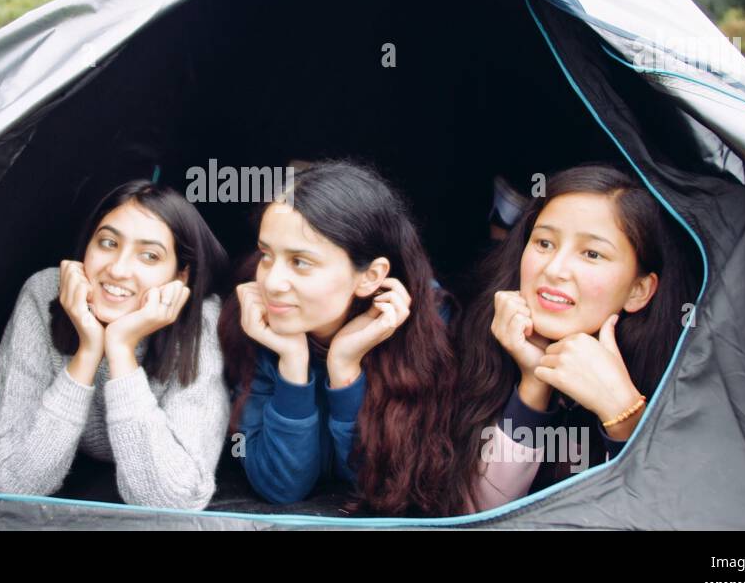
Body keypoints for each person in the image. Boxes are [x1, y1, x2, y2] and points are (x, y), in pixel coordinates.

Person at [220, 159, 539, 516]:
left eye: (300, 262)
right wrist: (292, 366)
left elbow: (385, 487)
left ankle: (503, 224)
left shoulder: (429, 330)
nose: (272, 283)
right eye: (267, 255)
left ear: (370, 277)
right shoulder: (258, 317)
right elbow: (280, 485)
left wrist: (345, 369)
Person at [0, 178, 231, 510]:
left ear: (180, 275)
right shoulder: (44, 294)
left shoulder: (201, 320)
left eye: (149, 256)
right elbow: (10, 481)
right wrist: (88, 351)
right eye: (108, 243)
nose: (119, 269)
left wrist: (121, 349)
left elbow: (172, 499)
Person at [450, 164, 694, 503]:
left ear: (639, 290)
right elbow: (478, 513)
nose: (555, 269)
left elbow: (663, 513)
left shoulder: (686, 380)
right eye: (545, 243)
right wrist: (534, 384)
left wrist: (622, 414)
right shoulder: (476, 341)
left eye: (592, 254)